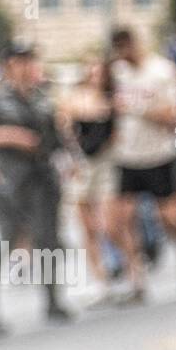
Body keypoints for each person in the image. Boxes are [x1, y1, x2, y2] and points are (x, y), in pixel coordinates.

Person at [0, 41, 71, 322]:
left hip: (42, 181)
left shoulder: (43, 99)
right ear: (9, 65)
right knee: (0, 243)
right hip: (7, 183)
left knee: (48, 240)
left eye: (29, 60)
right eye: (21, 61)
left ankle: (53, 300)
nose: (27, 67)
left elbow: (56, 140)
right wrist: (3, 135)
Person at [107, 27, 176, 302]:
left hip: (159, 155)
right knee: (121, 221)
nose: (124, 52)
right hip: (127, 156)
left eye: (127, 45)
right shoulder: (117, 73)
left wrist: (140, 110)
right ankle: (137, 280)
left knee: (168, 217)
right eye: (119, 47)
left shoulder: (162, 70)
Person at [61, 57, 117, 293]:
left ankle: (122, 263)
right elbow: (65, 126)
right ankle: (100, 278)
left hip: (106, 164)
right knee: (87, 227)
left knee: (109, 222)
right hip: (82, 163)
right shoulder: (75, 98)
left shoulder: (113, 99)